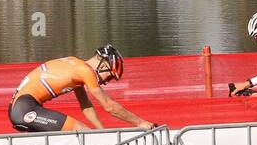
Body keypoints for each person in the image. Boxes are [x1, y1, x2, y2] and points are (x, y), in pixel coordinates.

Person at [9, 45, 154, 133]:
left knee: (84, 135)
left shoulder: (76, 64)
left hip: (21, 108)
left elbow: (85, 105)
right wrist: (140, 122)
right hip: (25, 109)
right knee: (82, 133)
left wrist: (101, 131)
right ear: (103, 66)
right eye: (109, 77)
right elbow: (109, 106)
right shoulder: (85, 71)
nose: (105, 83)